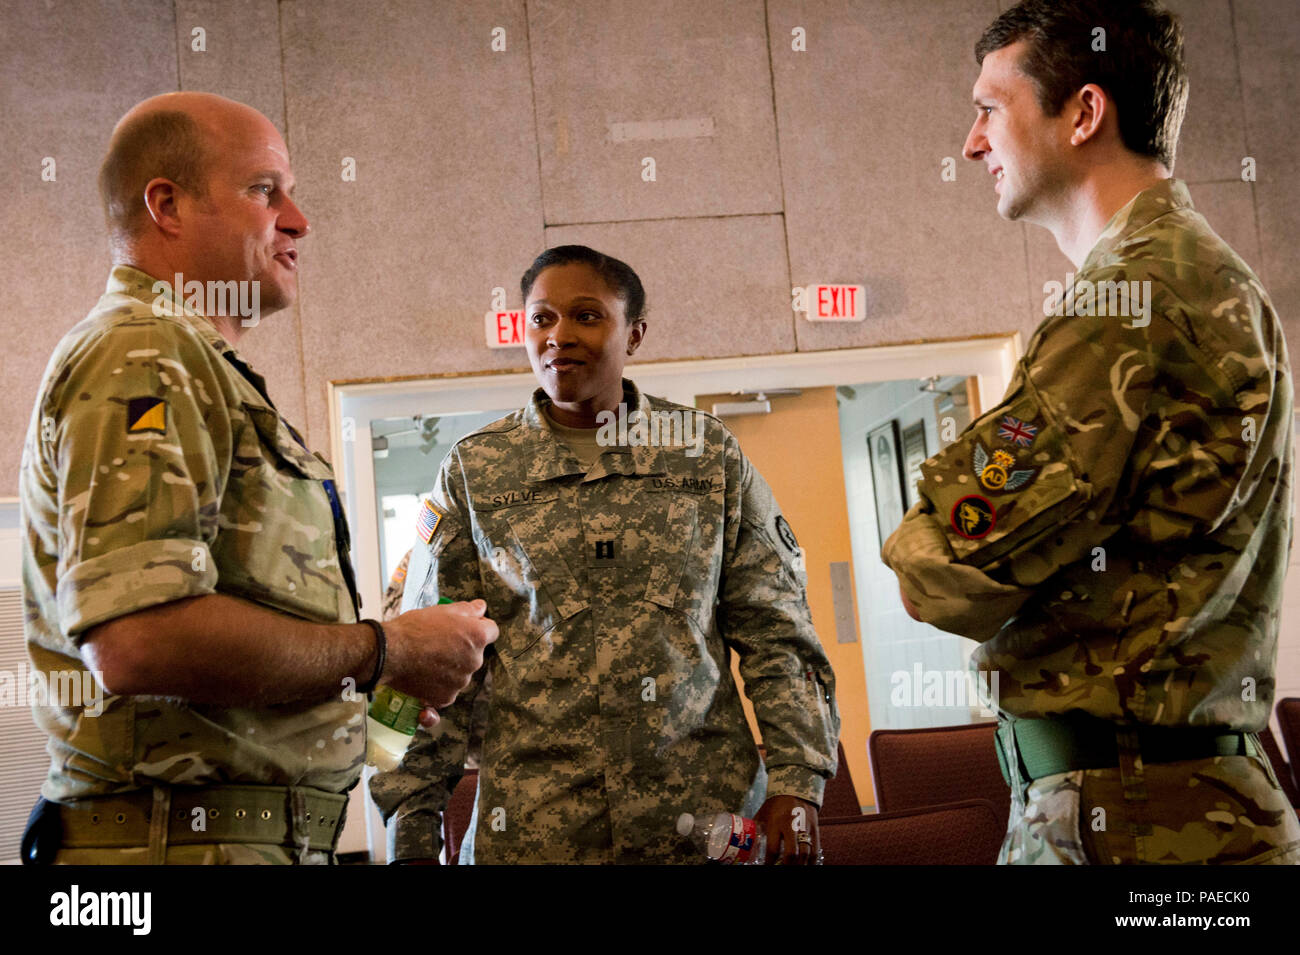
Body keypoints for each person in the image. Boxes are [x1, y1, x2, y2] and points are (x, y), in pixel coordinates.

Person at [18, 92, 496, 865]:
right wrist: (383, 649)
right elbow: (138, 640)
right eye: (264, 190)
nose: (299, 219)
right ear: (167, 205)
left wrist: (356, 697)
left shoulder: (199, 367)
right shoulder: (142, 351)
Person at [883, 0, 1300, 864]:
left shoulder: (1126, 305)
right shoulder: (1206, 276)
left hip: (1128, 820)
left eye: (989, 108)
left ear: (1083, 112)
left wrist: (923, 535)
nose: (971, 143)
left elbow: (951, 574)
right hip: (1187, 806)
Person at [370, 245, 840, 864]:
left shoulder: (706, 456)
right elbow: (421, 666)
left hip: (704, 829)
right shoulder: (474, 471)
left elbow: (778, 632)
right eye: (541, 319)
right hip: (537, 837)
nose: (558, 336)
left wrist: (797, 783)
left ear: (635, 334)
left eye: (587, 316)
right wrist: (411, 832)